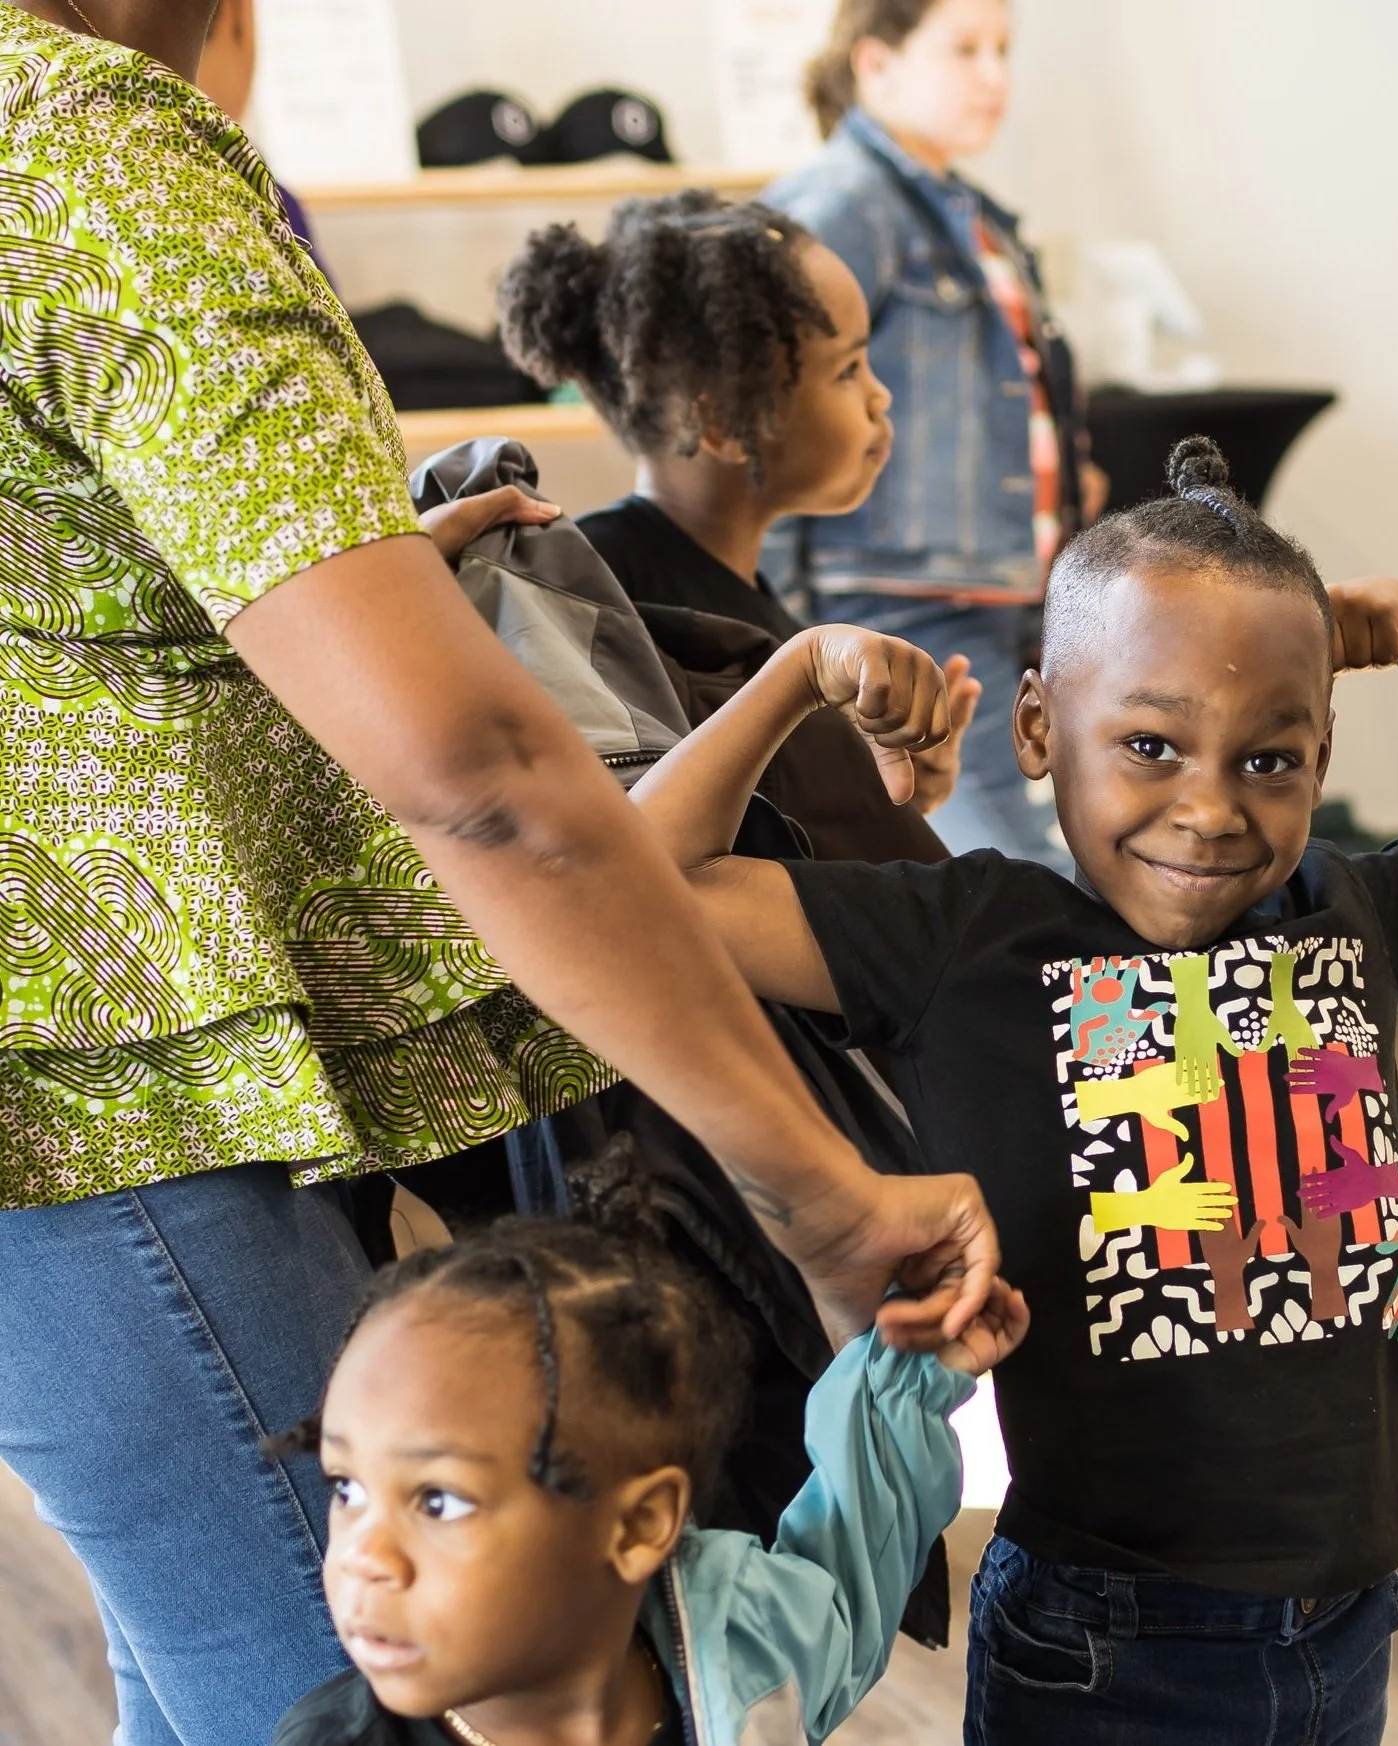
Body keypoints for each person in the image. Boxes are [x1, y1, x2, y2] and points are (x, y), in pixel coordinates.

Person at [0, 9, 1000, 1745]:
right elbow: (488, 785)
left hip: (111, 1095)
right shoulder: (78, 147)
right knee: (334, 1686)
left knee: (207, 1674)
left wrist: (336, 586)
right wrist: (820, 1191)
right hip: (109, 1101)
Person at [629, 437, 1398, 1743]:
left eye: (1271, 759)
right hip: (1109, 1644)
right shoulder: (964, 941)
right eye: (1150, 744)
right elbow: (639, 883)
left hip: (1351, 1619)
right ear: (1038, 727)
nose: (1208, 810)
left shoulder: (1344, 909)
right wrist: (795, 675)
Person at [272, 1170, 1028, 1746]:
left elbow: (849, 1571)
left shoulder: (738, 1636)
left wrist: (903, 1377)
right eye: (347, 1487)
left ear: (637, 1526)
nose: (362, 1556)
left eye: (438, 1500)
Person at [496, 190, 983, 841]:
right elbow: (656, 848)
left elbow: (778, 825)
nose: (880, 395)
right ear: (724, 422)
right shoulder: (608, 599)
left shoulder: (745, 596)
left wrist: (891, 795)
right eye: (848, 370)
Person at [762, 0, 1105, 872]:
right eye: (964, 50)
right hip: (895, 603)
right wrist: (775, 609)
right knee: (1021, 885)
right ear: (876, 66)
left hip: (979, 603)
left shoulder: (967, 212)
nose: (995, 77)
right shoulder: (845, 205)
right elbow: (769, 404)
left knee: (998, 875)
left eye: (1003, 51)